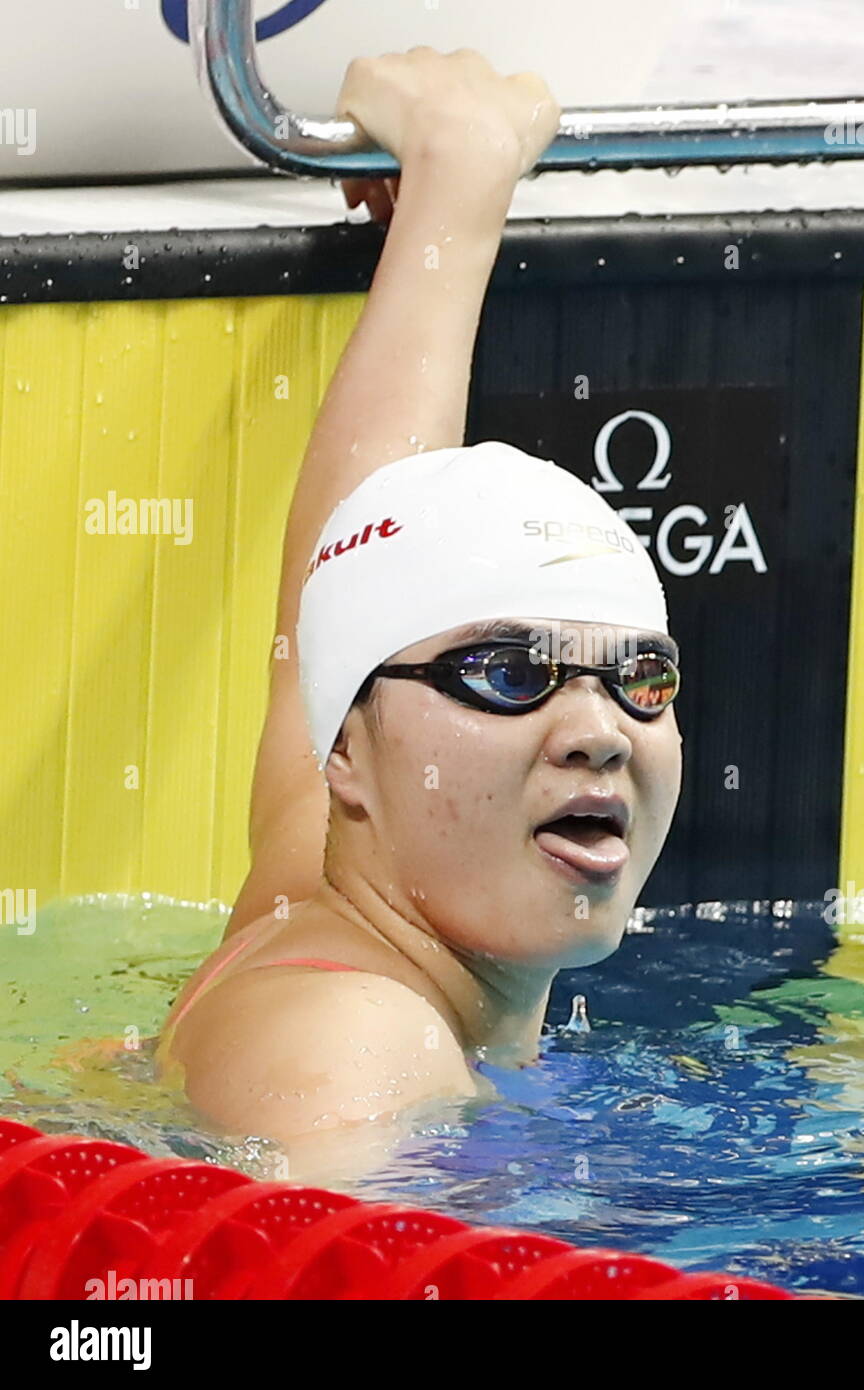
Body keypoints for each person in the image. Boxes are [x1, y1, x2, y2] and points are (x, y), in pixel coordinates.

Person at [156, 48, 683, 1172]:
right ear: (347, 749)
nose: (598, 730)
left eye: (639, 677)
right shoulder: (352, 1059)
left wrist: (458, 179)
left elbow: (339, 591)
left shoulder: (335, 863)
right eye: (505, 674)